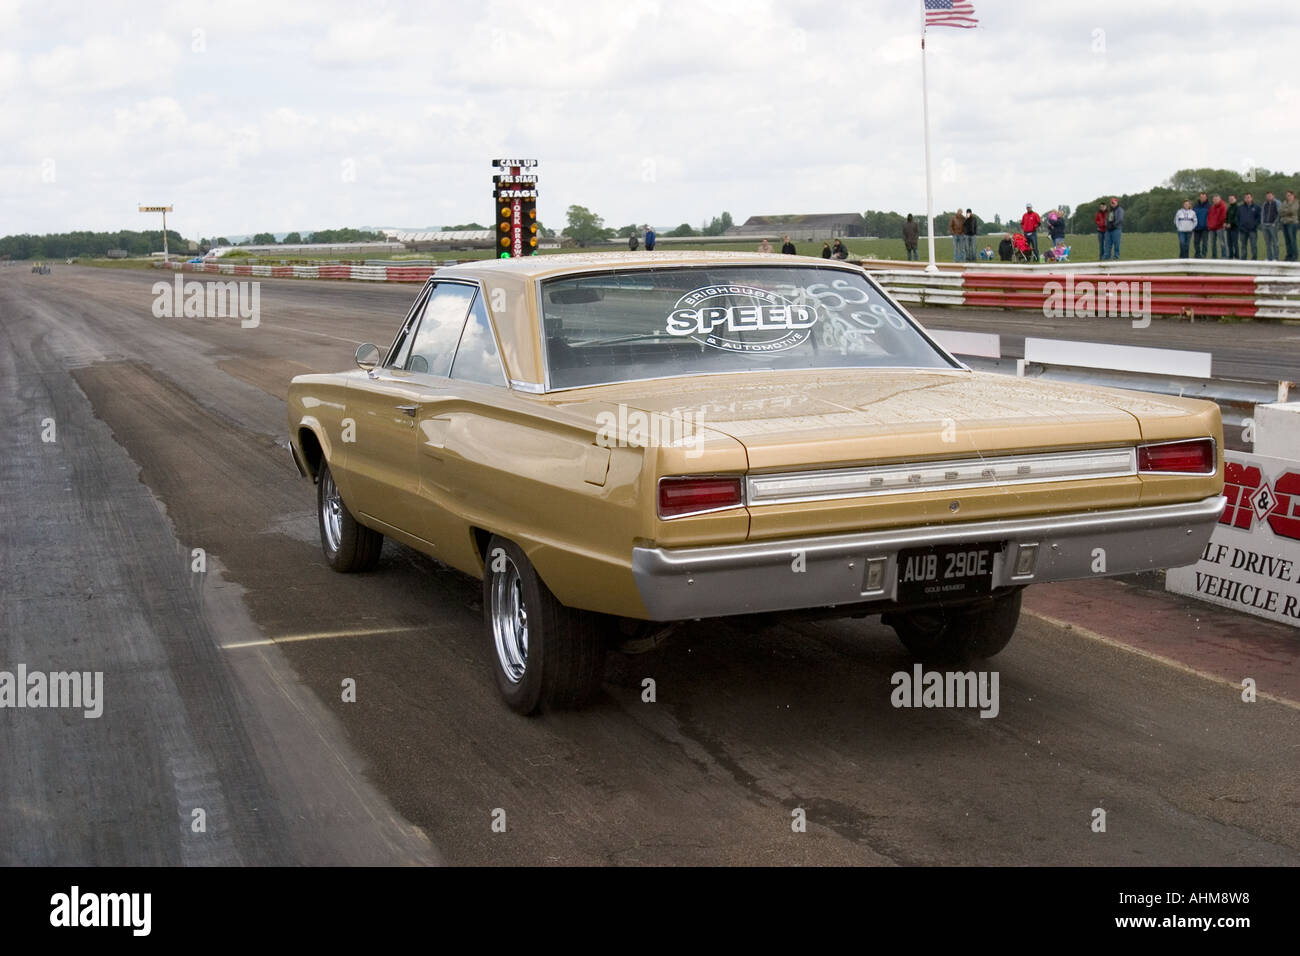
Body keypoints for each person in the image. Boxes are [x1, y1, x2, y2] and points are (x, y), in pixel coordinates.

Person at [1236, 193, 1260, 260]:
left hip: (1252, 230)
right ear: (1244, 199)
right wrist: (1240, 227)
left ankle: (1254, 259)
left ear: (1251, 198)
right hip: (1243, 230)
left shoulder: (1256, 207)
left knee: (1253, 246)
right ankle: (1243, 259)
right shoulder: (1240, 208)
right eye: (1246, 197)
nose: (1247, 199)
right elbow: (1237, 218)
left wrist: (1254, 226)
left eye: (1248, 197)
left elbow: (1259, 218)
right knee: (1243, 246)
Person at [1261, 191, 1281, 261]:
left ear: (1273, 196)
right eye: (1267, 196)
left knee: (1275, 242)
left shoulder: (1277, 203)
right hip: (1265, 225)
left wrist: (1275, 223)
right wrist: (1262, 223)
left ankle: (1276, 257)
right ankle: (1269, 257)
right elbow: (1262, 214)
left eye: (1270, 196)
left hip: (1273, 225)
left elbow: (1279, 214)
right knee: (1267, 243)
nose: (1268, 197)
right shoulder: (1265, 204)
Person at [1281, 190, 1299, 262]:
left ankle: (1295, 256)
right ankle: (1289, 255)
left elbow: (1292, 211)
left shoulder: (1296, 202)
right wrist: (1286, 211)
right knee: (1287, 241)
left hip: (1292, 223)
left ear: (1293, 195)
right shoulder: (1284, 202)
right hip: (1285, 223)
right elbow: (1280, 211)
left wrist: (1285, 210)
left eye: (1289, 195)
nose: (1287, 197)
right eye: (1287, 195)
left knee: (1292, 240)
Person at [1192, 192, 1210, 258]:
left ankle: (1204, 255)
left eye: (1204, 197)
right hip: (1196, 227)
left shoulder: (1209, 206)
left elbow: (1211, 217)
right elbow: (1192, 216)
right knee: (1196, 242)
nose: (1202, 198)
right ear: (1199, 197)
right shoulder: (1195, 206)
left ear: (1206, 198)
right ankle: (1197, 254)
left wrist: (1209, 225)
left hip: (1205, 228)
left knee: (1204, 243)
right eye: (1201, 197)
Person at [1225, 194, 1239, 259]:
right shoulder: (1229, 208)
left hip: (1235, 228)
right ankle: (1230, 256)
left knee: (1235, 243)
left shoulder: (1237, 207)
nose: (1230, 200)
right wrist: (1225, 223)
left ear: (1235, 199)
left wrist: (1231, 224)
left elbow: (1237, 218)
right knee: (1229, 243)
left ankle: (1237, 256)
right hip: (1228, 229)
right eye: (1229, 199)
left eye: (1232, 199)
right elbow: (1227, 217)